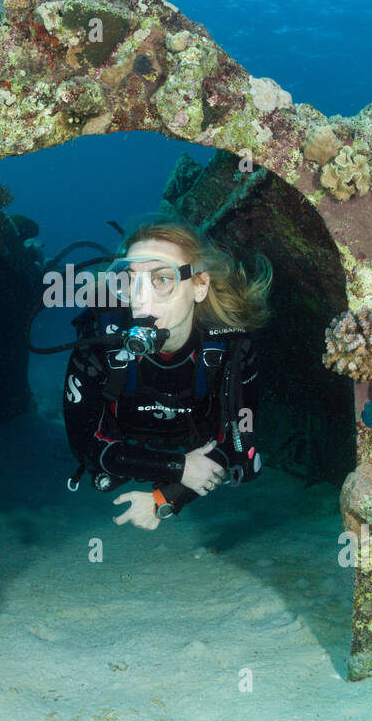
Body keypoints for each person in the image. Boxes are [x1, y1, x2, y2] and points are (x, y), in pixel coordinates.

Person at [62, 221, 272, 530]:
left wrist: (165, 498)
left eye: (162, 279)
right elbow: (83, 443)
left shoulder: (230, 344)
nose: (140, 299)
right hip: (125, 444)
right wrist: (178, 467)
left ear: (199, 285)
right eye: (131, 280)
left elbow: (241, 442)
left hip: (195, 436)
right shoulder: (99, 336)